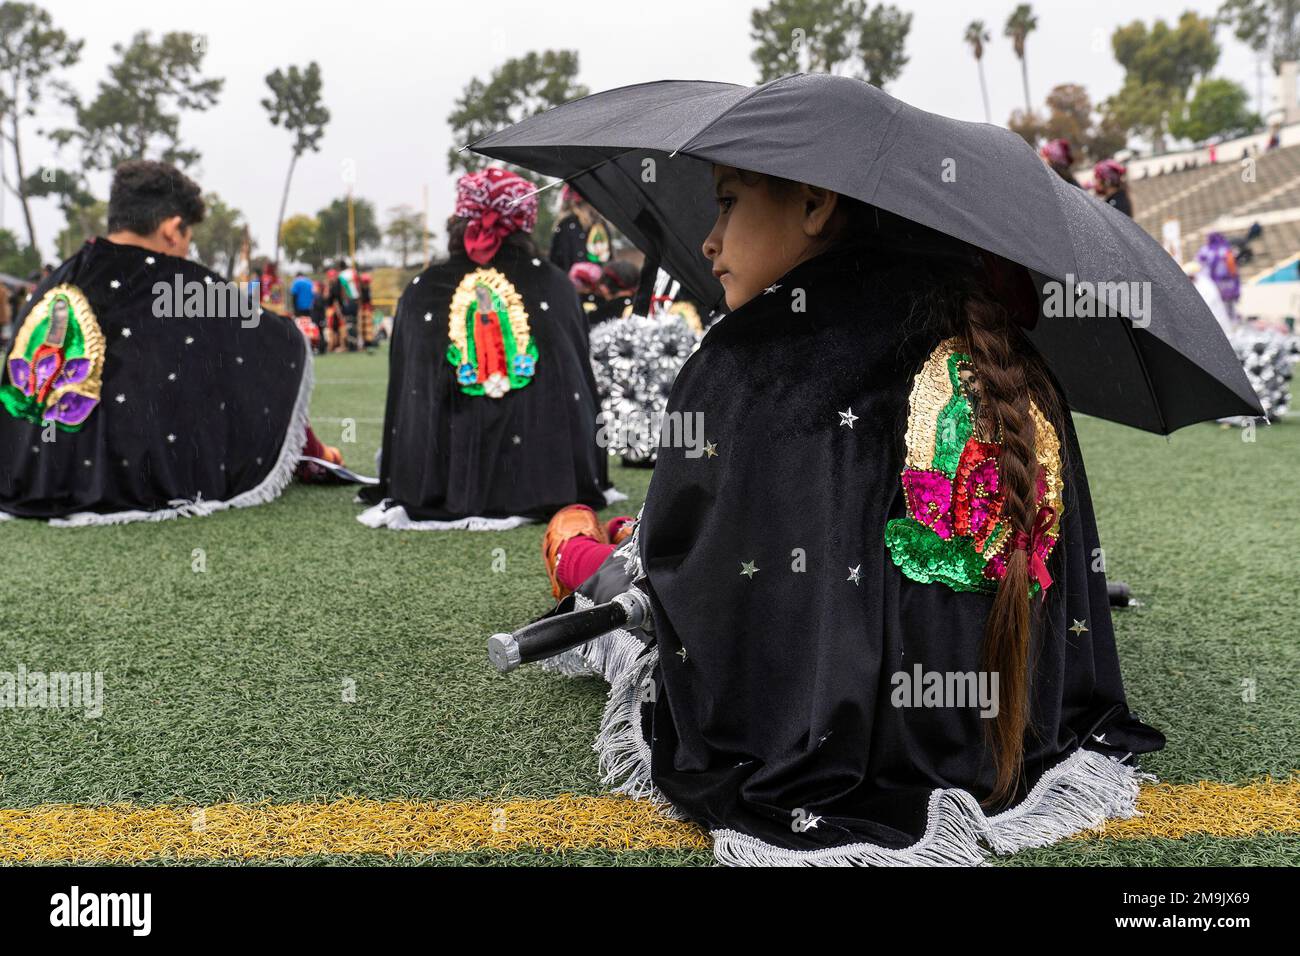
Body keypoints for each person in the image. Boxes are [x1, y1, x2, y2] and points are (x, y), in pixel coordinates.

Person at [533, 163, 1165, 866]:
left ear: (814, 200)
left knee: (609, 561)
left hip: (820, 755)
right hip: (1015, 734)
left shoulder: (758, 355)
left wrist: (625, 557)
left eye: (728, 205)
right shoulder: (1014, 354)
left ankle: (579, 550)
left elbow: (695, 575)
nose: (710, 242)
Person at [0, 159, 343, 524]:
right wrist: (313, 451)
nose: (184, 253)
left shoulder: (59, 280)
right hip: (136, 481)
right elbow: (273, 344)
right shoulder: (181, 284)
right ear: (172, 229)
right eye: (187, 240)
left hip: (22, 476)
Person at [357, 167, 612, 530]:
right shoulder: (556, 286)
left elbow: (408, 394)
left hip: (430, 484)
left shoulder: (421, 290)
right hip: (550, 481)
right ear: (525, 220)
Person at [549, 184, 613, 273]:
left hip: (569, 283)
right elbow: (607, 261)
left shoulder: (565, 225)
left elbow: (556, 263)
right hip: (598, 284)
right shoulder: (600, 224)